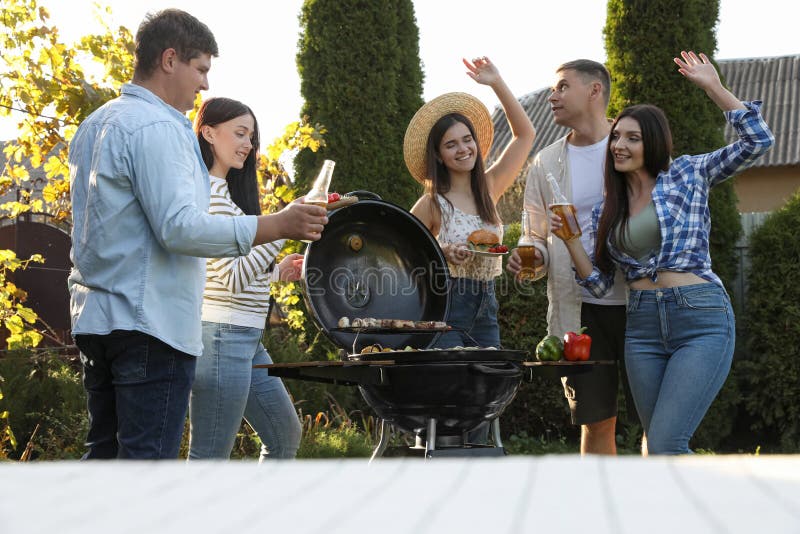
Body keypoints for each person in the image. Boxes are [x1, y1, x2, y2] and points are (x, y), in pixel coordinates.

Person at [68, 9, 327, 460]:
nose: (204, 84)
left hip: (96, 320)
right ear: (170, 59)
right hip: (149, 326)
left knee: (107, 464)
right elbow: (180, 229)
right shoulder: (161, 127)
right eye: (201, 68)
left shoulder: (95, 123)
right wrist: (281, 224)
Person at [550, 51, 774, 455]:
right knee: (655, 448)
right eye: (616, 136)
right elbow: (599, 286)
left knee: (669, 442)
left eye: (631, 138)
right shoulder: (608, 208)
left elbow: (758, 140)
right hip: (642, 328)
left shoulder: (688, 173)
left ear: (651, 142)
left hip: (699, 318)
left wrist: (714, 87)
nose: (618, 144)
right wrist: (570, 240)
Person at [507, 59, 635, 455]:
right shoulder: (545, 163)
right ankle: (597, 512)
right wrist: (530, 255)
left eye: (563, 86)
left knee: (655, 419)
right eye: (553, 88)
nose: (552, 95)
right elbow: (536, 233)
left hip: (640, 302)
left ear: (594, 91)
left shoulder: (633, 143)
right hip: (579, 312)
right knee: (596, 423)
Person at [188, 97, 303, 460]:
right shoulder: (206, 195)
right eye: (240, 133)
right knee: (209, 457)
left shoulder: (227, 198)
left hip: (247, 339)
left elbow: (227, 270)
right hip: (222, 338)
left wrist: (275, 272)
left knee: (285, 437)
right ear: (208, 132)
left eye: (251, 137)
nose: (248, 145)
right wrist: (284, 227)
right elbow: (231, 279)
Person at [405, 56, 535, 350]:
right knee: (450, 387)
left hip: (487, 308)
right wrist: (443, 251)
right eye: (451, 144)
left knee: (484, 389)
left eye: (467, 140)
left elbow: (526, 135)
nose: (463, 149)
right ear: (438, 155)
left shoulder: (490, 186)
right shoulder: (432, 203)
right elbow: (405, 253)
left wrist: (497, 83)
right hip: (446, 307)